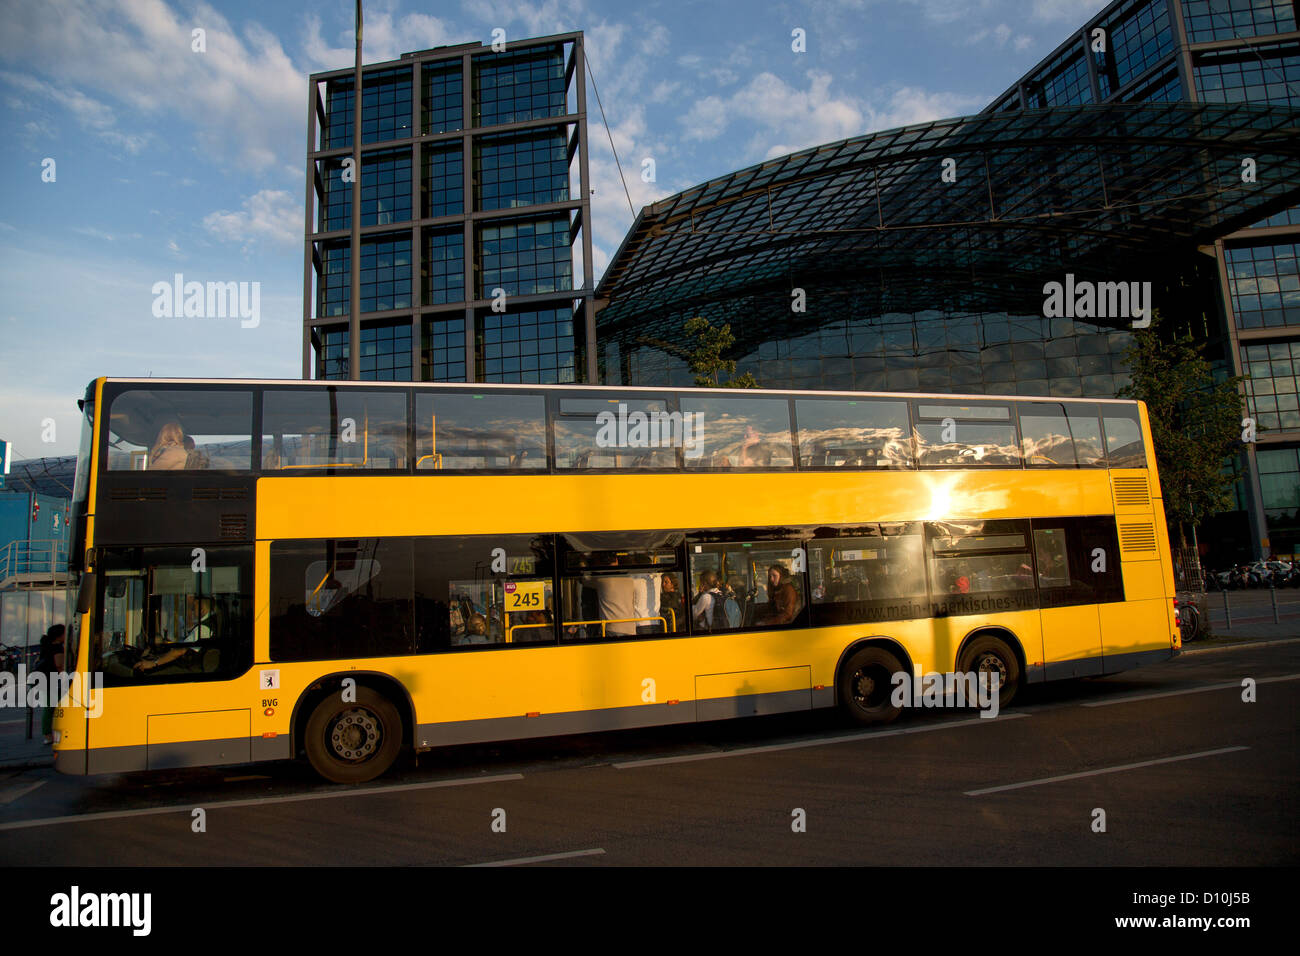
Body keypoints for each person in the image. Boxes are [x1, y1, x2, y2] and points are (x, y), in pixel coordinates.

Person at [37, 625, 65, 744]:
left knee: (48, 708)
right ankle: (50, 735)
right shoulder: (57, 648)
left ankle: (48, 735)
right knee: (55, 707)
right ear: (59, 636)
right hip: (54, 681)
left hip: (45, 680)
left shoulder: (46, 647)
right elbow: (59, 665)